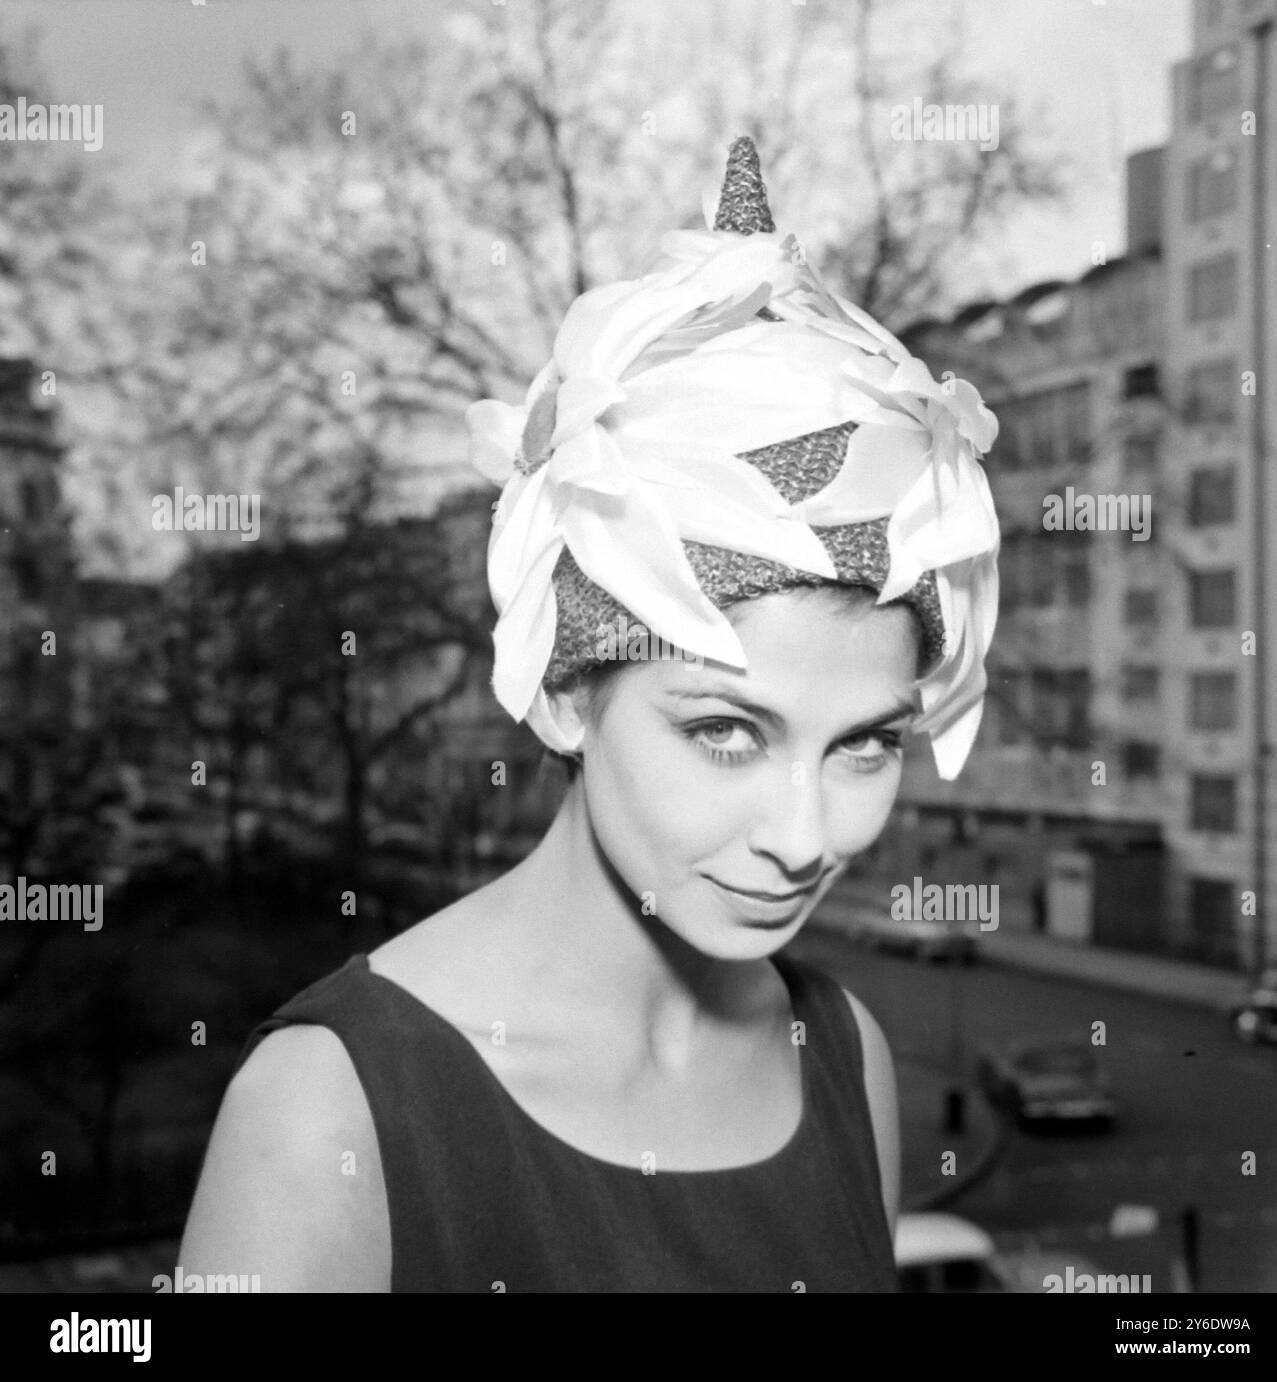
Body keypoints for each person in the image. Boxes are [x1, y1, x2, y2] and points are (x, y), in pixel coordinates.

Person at [178, 136, 1001, 1292]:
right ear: (567, 694)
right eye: (724, 730)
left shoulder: (843, 1059)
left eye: (864, 744)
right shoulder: (331, 1113)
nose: (809, 836)